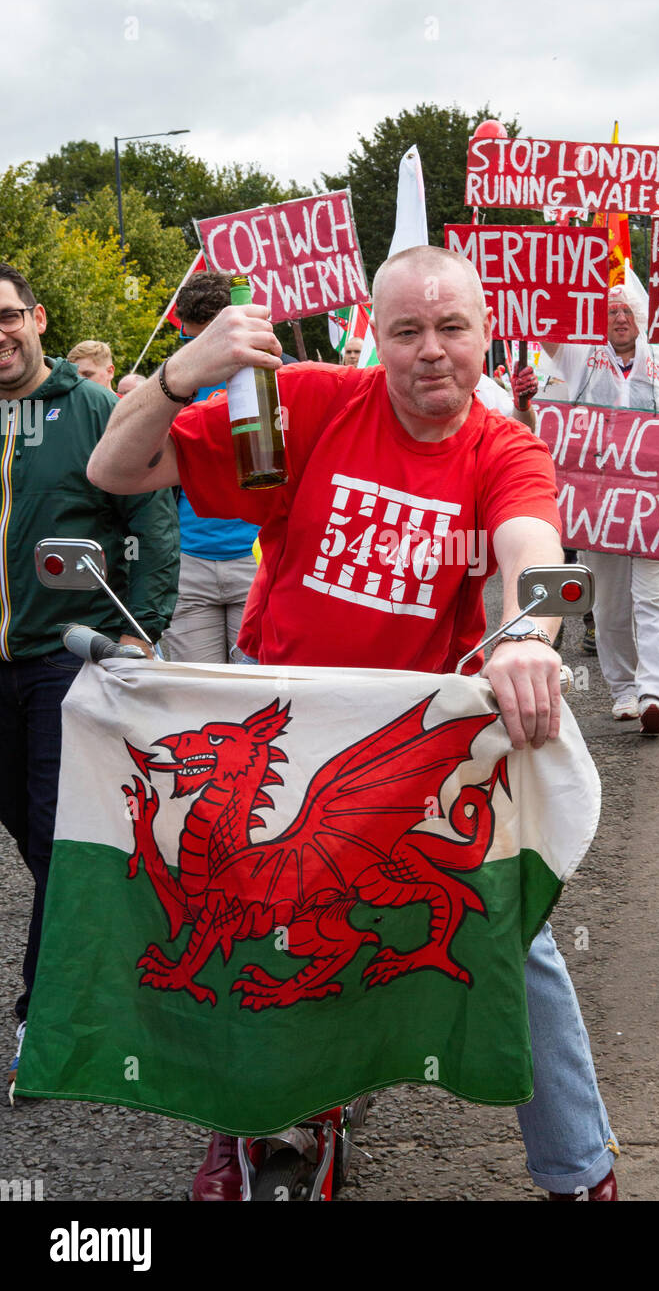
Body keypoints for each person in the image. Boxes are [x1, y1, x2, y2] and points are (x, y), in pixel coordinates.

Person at [88, 244, 618, 1202]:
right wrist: (179, 374)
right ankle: (253, 1125)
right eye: (407, 330)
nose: (431, 351)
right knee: (244, 916)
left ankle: (580, 1173)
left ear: (484, 332)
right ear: (375, 335)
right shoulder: (308, 404)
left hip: (420, 743)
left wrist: (525, 637)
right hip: (287, 723)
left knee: (513, 932)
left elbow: (534, 552)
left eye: (451, 328)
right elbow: (116, 466)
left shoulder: (504, 448)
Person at [0, 263, 179, 1090]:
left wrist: (139, 633)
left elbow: (148, 514)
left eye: (7, 317)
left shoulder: (93, 407)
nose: (0, 334)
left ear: (37, 318)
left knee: (53, 835)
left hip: (61, 659)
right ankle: (130, 939)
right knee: (41, 845)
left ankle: (46, 1017)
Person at [539, 284, 659, 734]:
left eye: (627, 310)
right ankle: (624, 690)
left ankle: (653, 694)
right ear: (595, 317)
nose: (620, 317)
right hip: (600, 508)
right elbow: (543, 321)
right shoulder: (578, 355)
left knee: (658, 599)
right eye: (610, 311)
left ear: (642, 316)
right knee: (609, 605)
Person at [160, 272, 262, 664]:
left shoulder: (280, 373)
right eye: (188, 339)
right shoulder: (175, 381)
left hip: (256, 558)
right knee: (197, 695)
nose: (196, 349)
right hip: (189, 561)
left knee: (258, 695)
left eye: (207, 338)